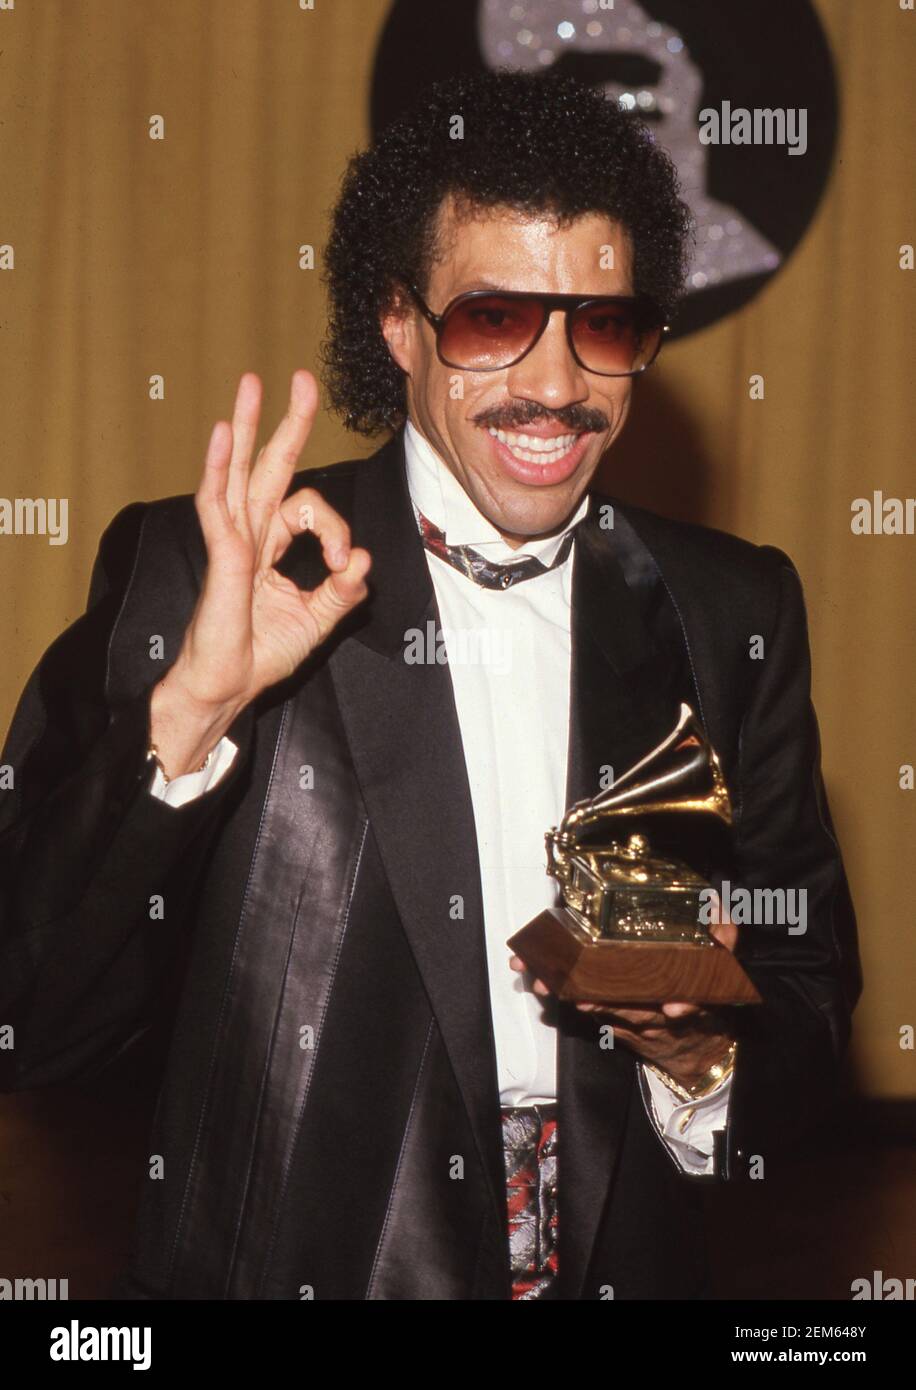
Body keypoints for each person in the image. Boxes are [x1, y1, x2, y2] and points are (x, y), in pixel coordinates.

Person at [0, 71, 859, 1300]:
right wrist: (185, 721)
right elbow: (29, 1013)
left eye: (602, 326)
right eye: (493, 318)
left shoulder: (731, 610)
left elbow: (811, 1016)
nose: (556, 383)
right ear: (398, 325)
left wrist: (701, 1046)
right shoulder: (220, 573)